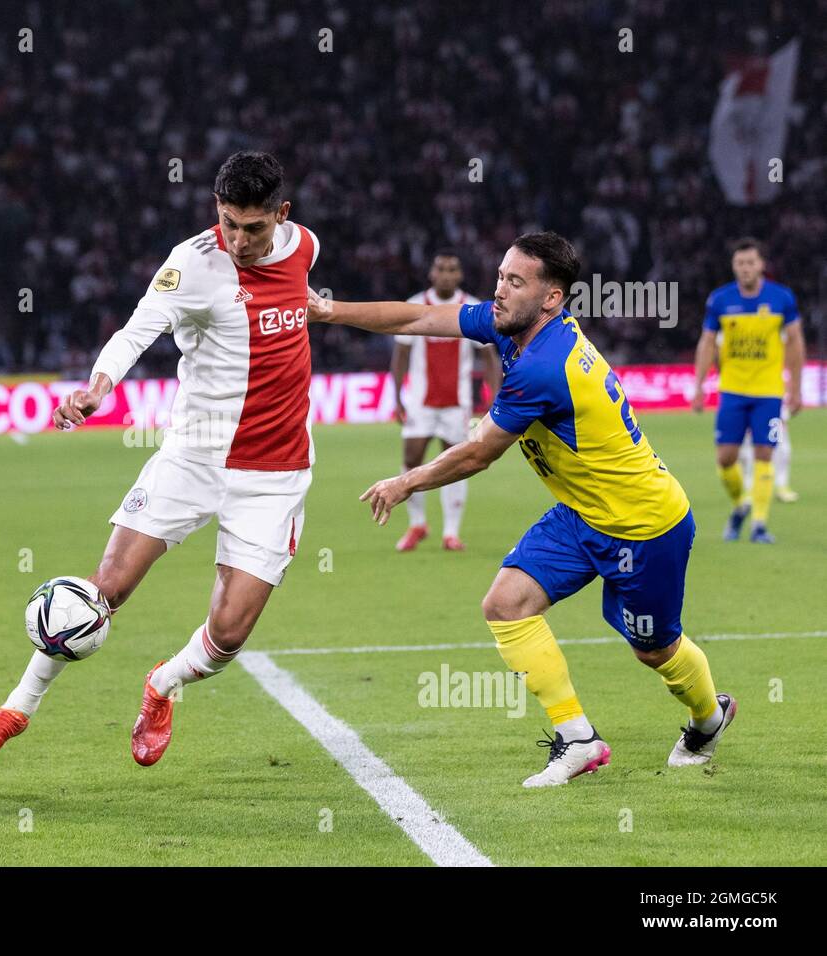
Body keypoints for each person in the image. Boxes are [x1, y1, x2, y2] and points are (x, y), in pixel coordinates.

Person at [310, 231, 735, 788]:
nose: (500, 290)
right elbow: (418, 319)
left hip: (644, 525)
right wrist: (329, 309)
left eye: (515, 281)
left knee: (654, 650)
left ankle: (708, 718)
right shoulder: (517, 324)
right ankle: (578, 739)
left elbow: (480, 453)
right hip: (583, 513)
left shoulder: (544, 366)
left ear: (551, 297)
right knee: (506, 604)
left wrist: (406, 481)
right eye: (500, 277)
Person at [0, 152, 318, 767]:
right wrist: (98, 388)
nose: (238, 239)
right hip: (194, 455)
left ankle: (162, 685)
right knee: (104, 590)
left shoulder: (305, 248)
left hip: (275, 474)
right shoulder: (194, 264)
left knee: (228, 635)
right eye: (228, 222)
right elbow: (136, 330)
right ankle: (18, 706)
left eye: (253, 228)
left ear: (282, 216)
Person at [691, 238, 804, 543]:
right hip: (733, 391)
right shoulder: (720, 300)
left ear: (761, 265)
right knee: (726, 459)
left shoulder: (781, 298)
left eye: (751, 262)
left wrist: (796, 387)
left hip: (769, 392)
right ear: (734, 266)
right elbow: (707, 342)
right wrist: (700, 385)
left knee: (765, 453)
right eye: (740, 263)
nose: (745, 268)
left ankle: (759, 524)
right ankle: (742, 505)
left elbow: (794, 342)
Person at [389, 250, 500, 551]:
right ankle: (417, 525)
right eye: (442, 268)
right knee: (412, 458)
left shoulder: (474, 308)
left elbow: (489, 357)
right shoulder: (415, 305)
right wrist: (397, 395)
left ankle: (451, 532)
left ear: (460, 275)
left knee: (453, 462)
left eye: (453, 269)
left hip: (457, 402)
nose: (447, 274)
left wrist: (495, 395)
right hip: (420, 402)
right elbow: (401, 354)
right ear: (432, 274)